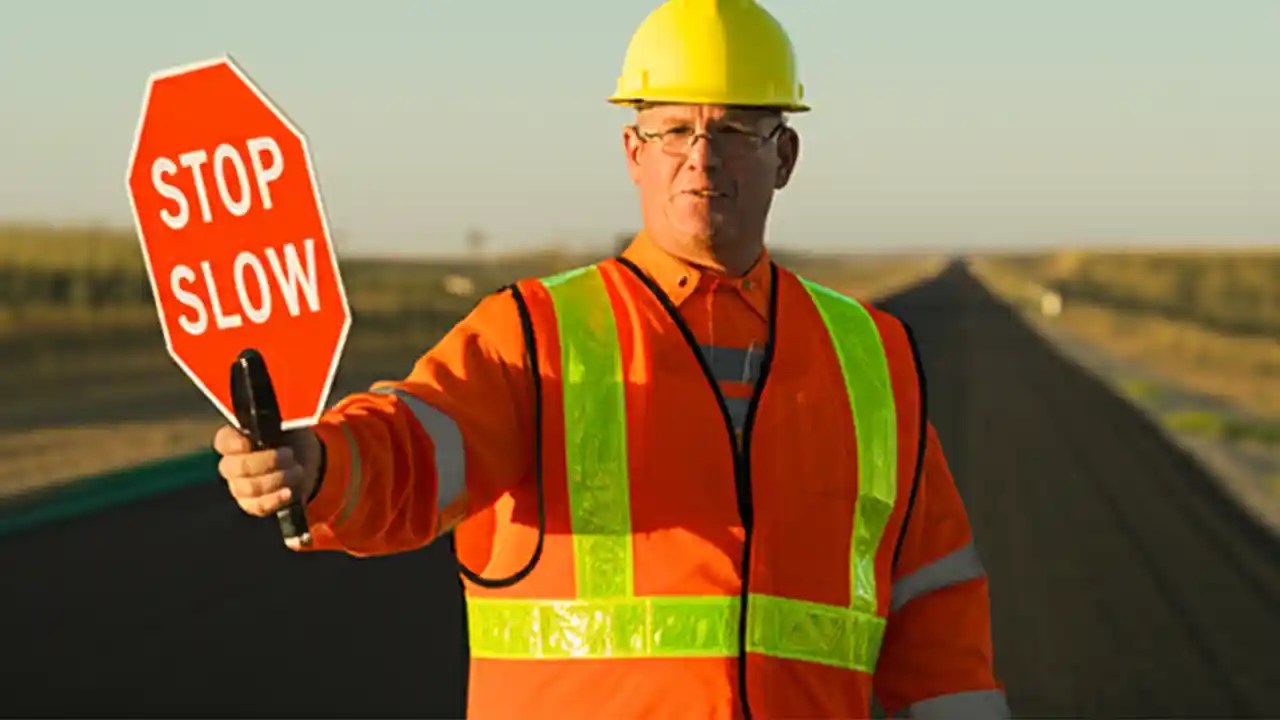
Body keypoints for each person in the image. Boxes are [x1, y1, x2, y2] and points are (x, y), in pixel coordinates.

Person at [214, 1, 1010, 717]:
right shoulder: (532, 335)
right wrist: (322, 465)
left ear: (786, 155)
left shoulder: (872, 357)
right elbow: (420, 445)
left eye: (734, 130)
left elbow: (936, 607)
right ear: (633, 151)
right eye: (673, 130)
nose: (701, 159)